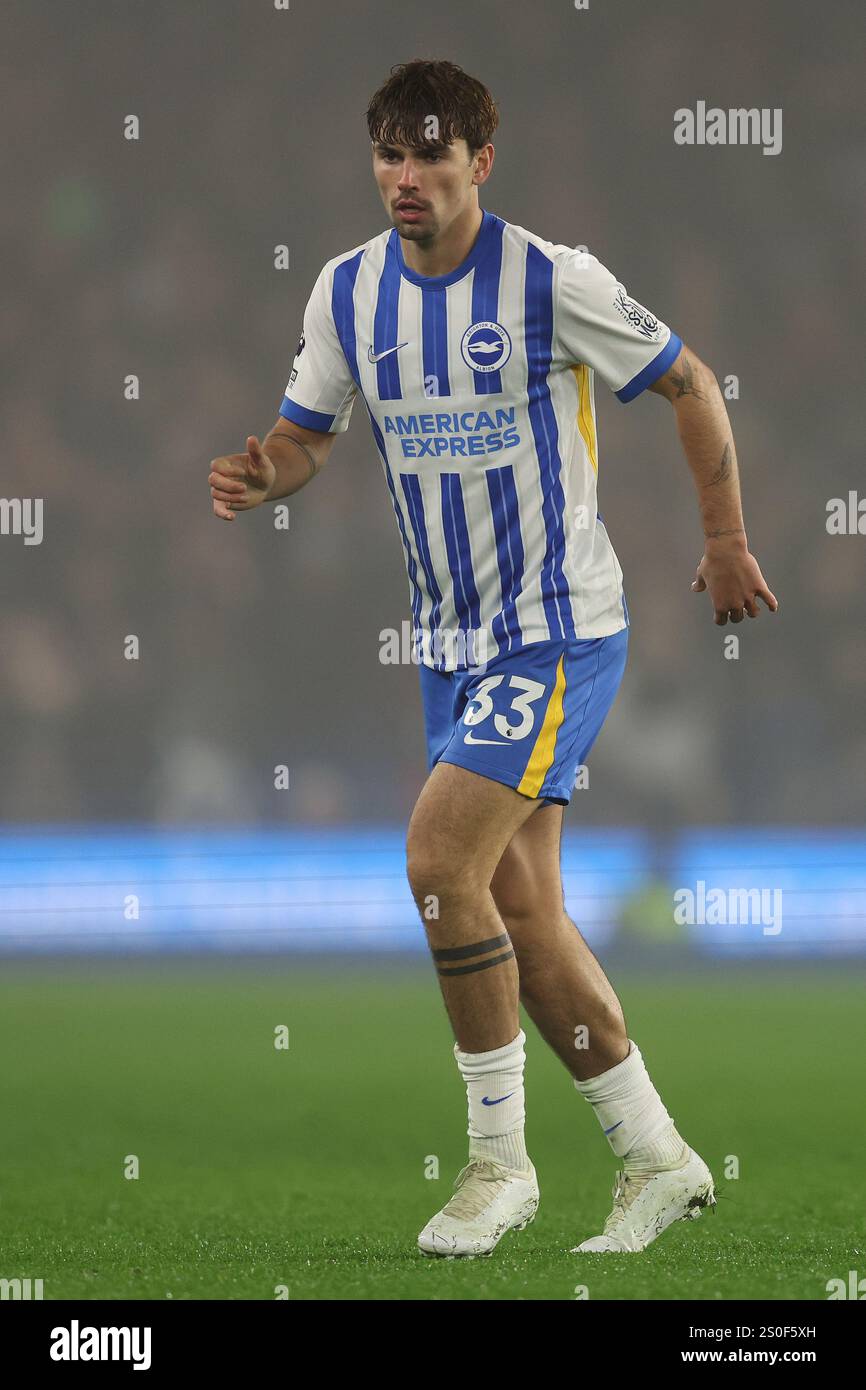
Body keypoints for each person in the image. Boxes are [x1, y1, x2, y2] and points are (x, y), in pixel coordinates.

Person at [208, 59, 778, 1257]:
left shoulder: (546, 279)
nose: (403, 177)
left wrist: (723, 537)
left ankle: (496, 1164)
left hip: (558, 625)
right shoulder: (346, 293)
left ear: (481, 161)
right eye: (387, 155)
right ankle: (655, 1156)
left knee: (433, 858)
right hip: (448, 644)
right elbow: (308, 435)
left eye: (428, 154)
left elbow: (690, 381)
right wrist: (269, 474)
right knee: (518, 913)